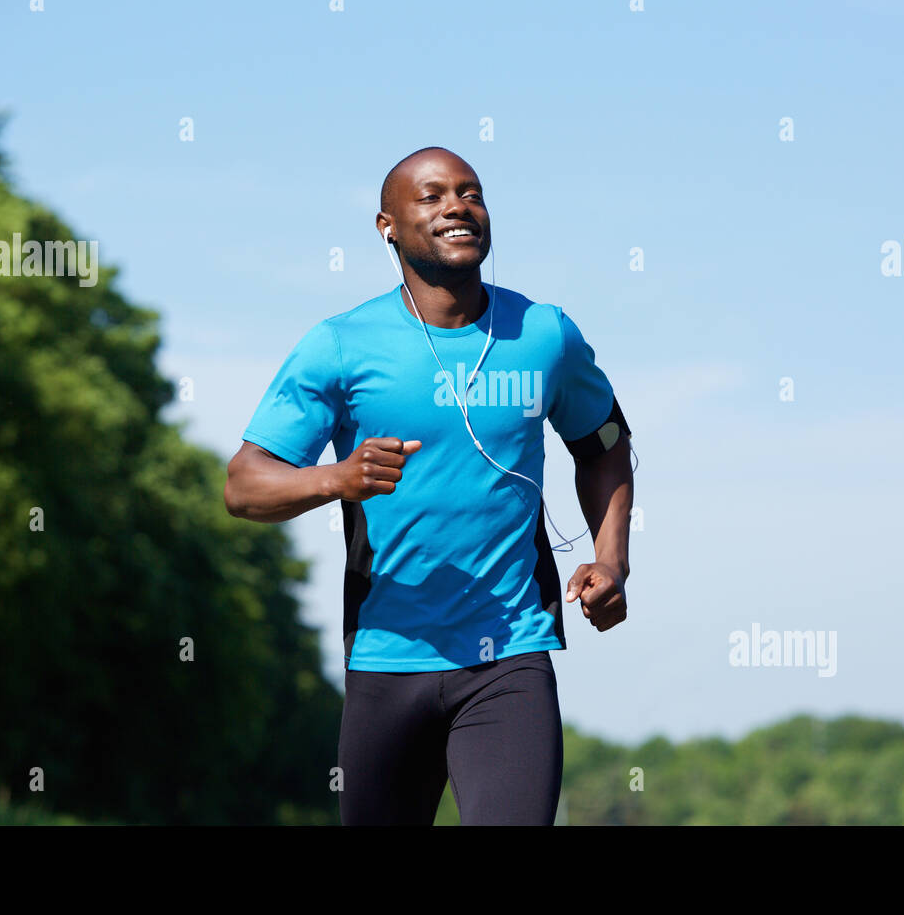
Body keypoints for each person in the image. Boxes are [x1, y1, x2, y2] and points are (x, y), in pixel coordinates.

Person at [224, 146, 634, 825]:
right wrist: (338, 477)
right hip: (387, 658)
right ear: (388, 226)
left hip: (510, 654)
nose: (456, 207)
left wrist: (612, 558)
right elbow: (244, 485)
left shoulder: (543, 335)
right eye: (433, 195)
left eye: (470, 193)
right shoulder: (341, 345)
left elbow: (606, 449)